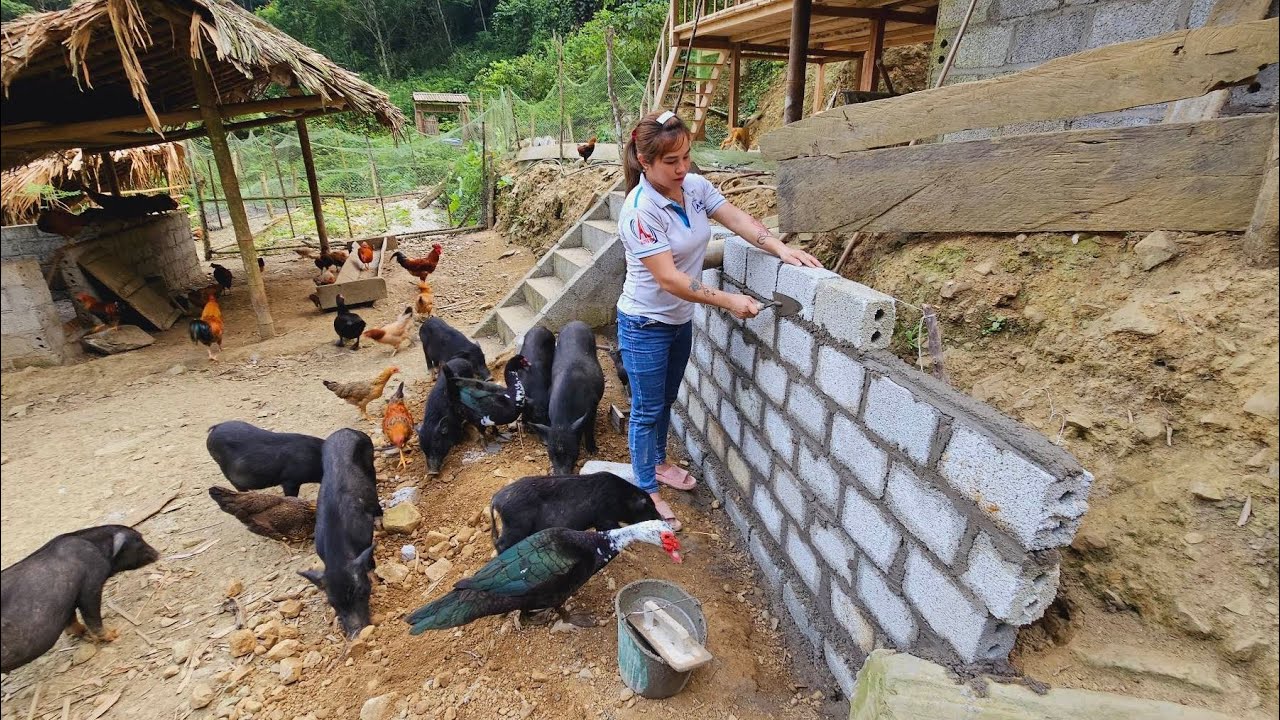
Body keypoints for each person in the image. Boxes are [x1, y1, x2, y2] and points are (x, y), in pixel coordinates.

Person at [616, 110, 822, 531]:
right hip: (644, 324)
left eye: (686, 157)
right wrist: (730, 300)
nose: (682, 168)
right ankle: (645, 489)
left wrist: (779, 248)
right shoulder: (639, 211)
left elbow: (738, 219)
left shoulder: (693, 188)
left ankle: (656, 463)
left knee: (667, 399)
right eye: (671, 162)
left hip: (678, 321)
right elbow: (670, 279)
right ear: (643, 159)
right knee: (646, 409)